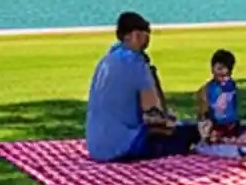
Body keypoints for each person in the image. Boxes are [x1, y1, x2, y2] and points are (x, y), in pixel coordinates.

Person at [85, 11, 199, 162]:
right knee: (190, 132)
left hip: (96, 147)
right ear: (135, 35)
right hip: (123, 147)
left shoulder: (107, 60)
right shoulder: (136, 63)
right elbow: (154, 114)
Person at [195, 49, 240, 143]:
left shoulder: (231, 85)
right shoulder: (208, 88)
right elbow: (203, 108)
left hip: (231, 123)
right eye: (219, 69)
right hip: (215, 124)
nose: (224, 72)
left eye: (228, 69)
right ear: (212, 69)